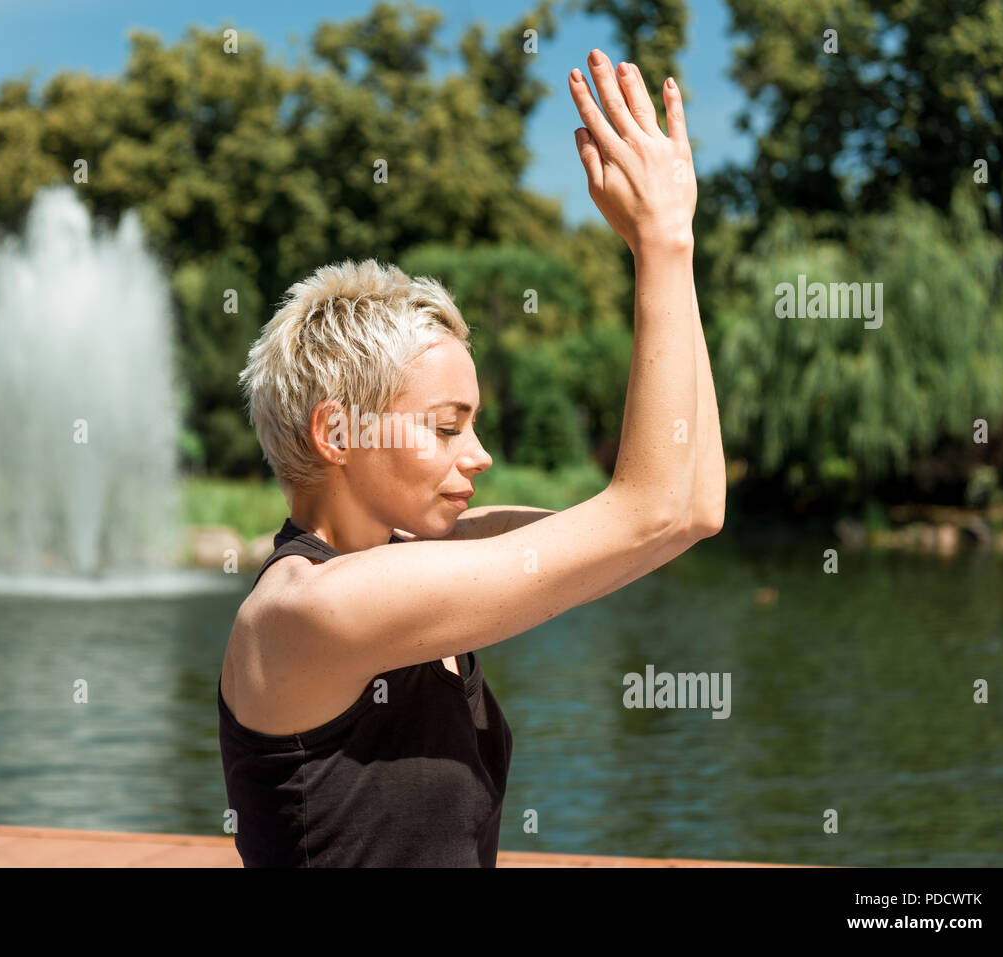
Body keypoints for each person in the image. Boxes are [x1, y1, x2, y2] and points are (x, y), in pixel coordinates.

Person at [217, 48, 725, 867]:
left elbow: (688, 508)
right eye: (448, 426)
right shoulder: (306, 611)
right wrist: (657, 246)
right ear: (338, 433)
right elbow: (651, 506)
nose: (480, 455)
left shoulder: (429, 558)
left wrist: (677, 249)